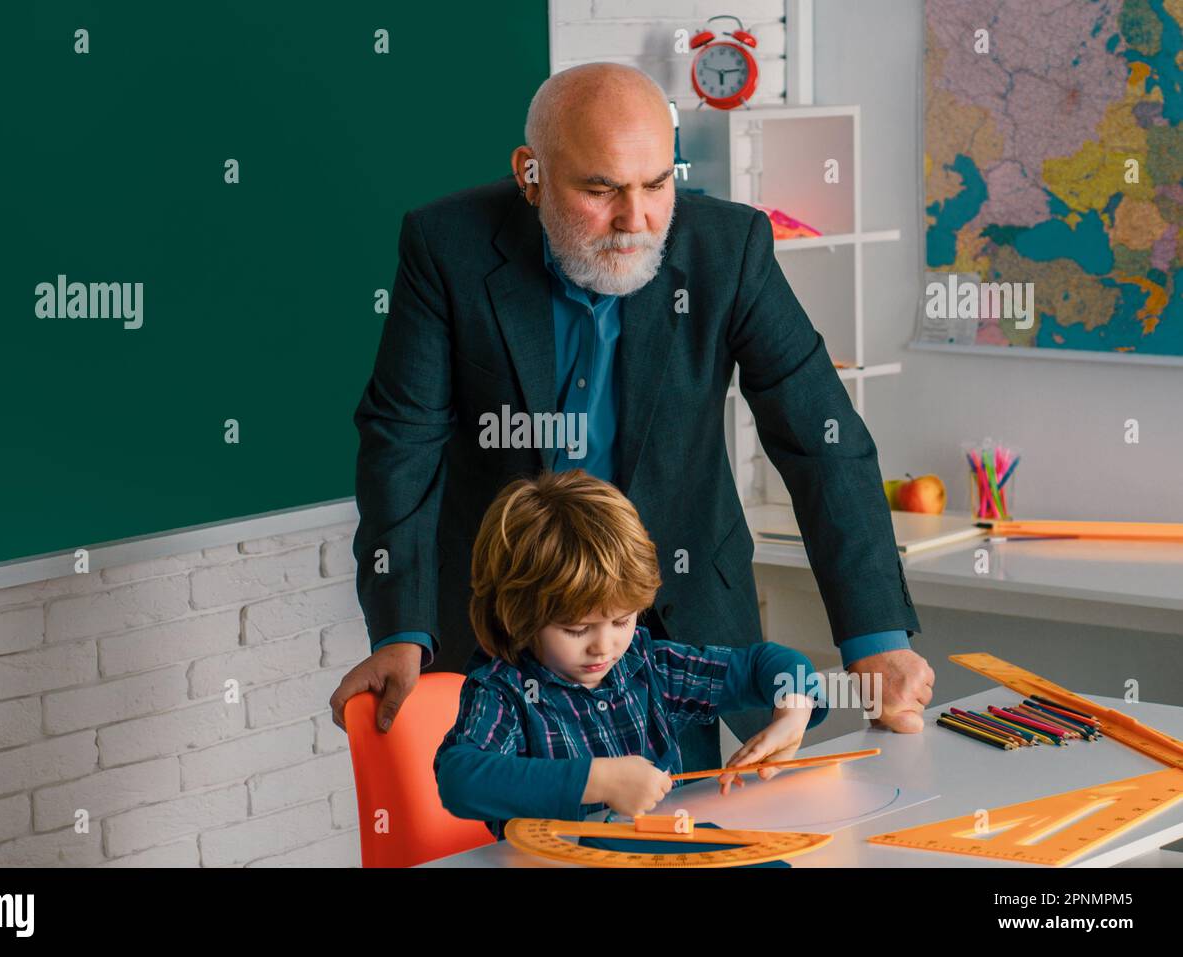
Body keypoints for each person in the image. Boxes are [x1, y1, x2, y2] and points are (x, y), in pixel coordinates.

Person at [331, 62, 933, 773]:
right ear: (531, 173)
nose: (636, 219)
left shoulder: (727, 248)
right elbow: (402, 441)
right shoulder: (447, 248)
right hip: (505, 629)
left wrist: (874, 637)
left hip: (676, 628)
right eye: (600, 189)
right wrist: (401, 627)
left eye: (656, 184)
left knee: (674, 835)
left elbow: (820, 437)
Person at [434, 469, 827, 839]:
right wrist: (597, 780)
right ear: (517, 615)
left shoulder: (648, 664)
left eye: (622, 621)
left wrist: (793, 712)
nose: (603, 647)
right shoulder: (503, 692)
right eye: (575, 629)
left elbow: (771, 666)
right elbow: (459, 779)